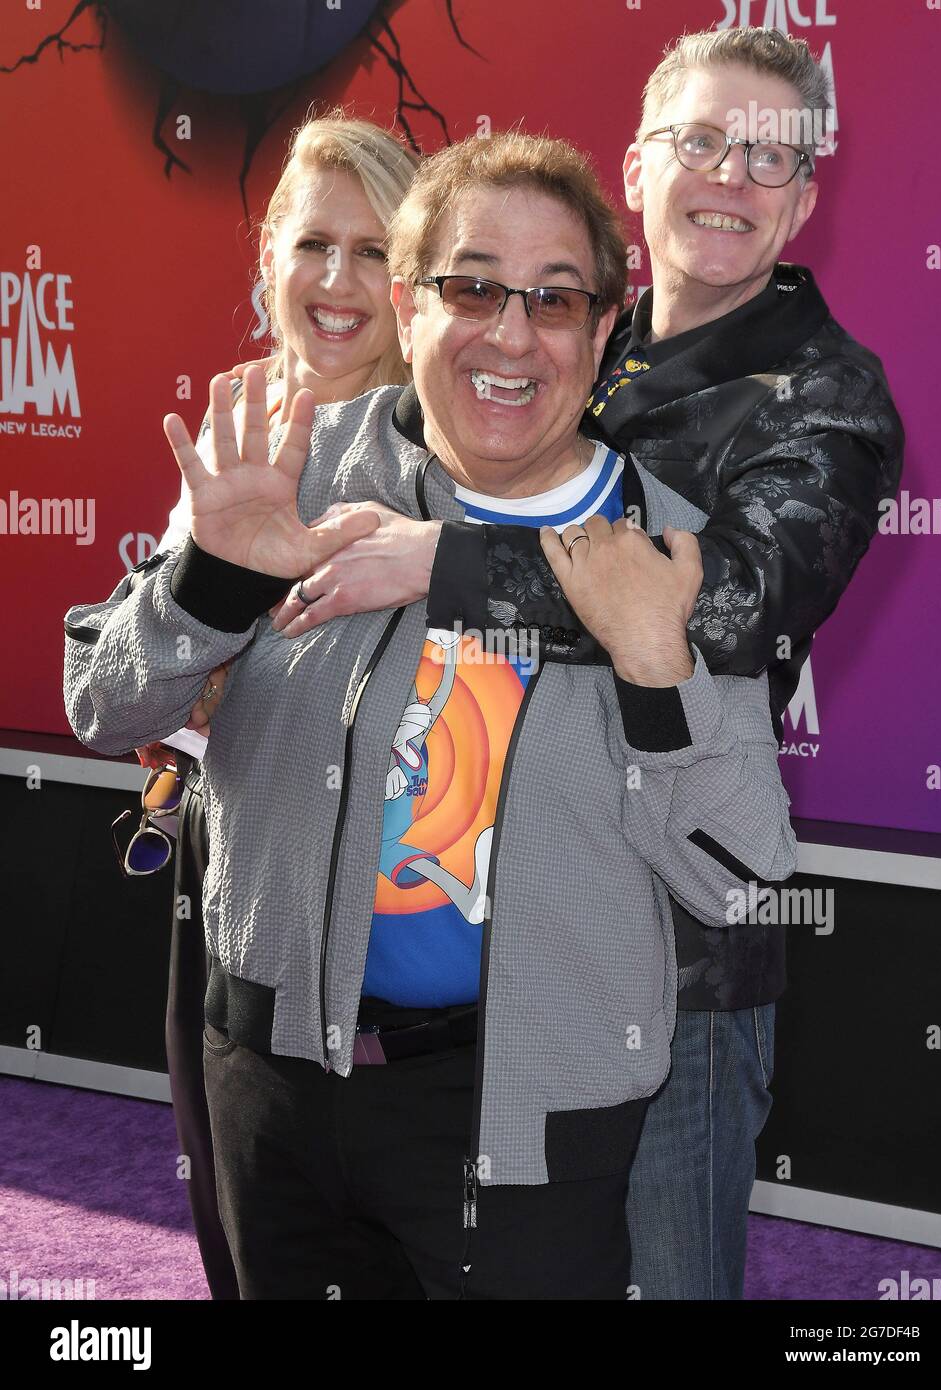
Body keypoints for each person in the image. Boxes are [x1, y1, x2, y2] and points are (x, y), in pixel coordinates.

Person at [64, 130, 797, 1300]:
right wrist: (212, 582)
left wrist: (656, 665)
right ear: (407, 306)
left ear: (604, 328)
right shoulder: (289, 470)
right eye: (469, 288)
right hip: (275, 1095)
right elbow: (104, 706)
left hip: (524, 1115)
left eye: (554, 299)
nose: (511, 334)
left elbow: (740, 872)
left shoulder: (667, 548)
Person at [266, 30, 904, 1299]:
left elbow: (718, 604)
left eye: (771, 155)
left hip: (672, 952)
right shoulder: (572, 329)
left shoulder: (829, 398)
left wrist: (438, 564)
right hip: (480, 931)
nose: (732, 173)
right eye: (702, 140)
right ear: (638, 167)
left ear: (804, 199)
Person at [138, 110, 420, 1300]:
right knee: (239, 1220)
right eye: (314, 245)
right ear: (270, 262)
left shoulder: (455, 435)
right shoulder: (238, 414)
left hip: (397, 919)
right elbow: (135, 678)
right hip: (223, 878)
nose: (339, 281)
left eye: (373, 252)